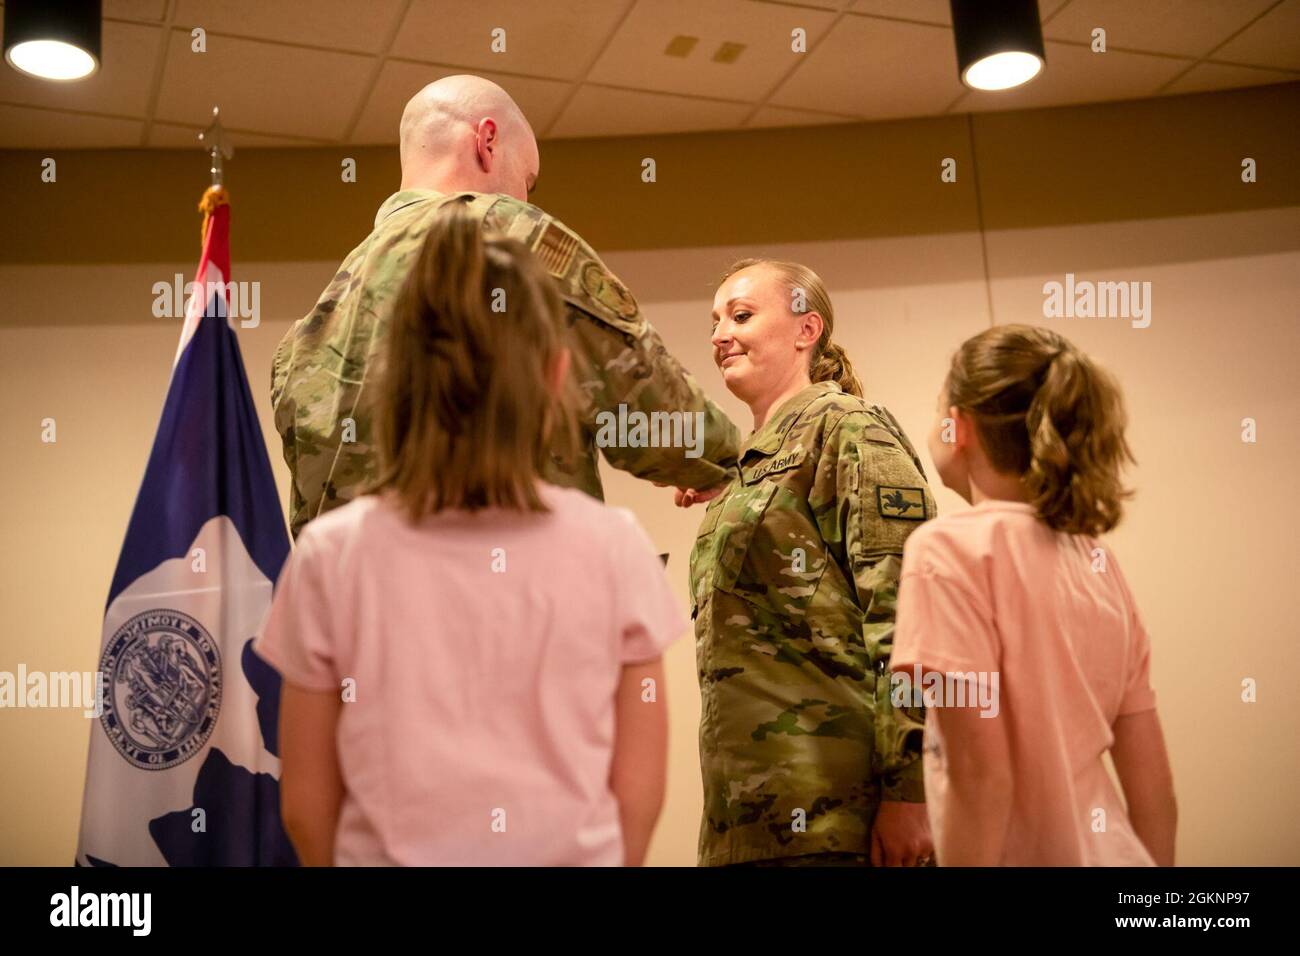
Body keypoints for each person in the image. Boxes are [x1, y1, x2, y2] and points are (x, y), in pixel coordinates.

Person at [254, 205, 685, 866]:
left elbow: (308, 807)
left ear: (398, 377)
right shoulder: (615, 547)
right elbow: (637, 791)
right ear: (555, 377)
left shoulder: (330, 557)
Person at [271, 74, 739, 539]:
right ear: (487, 141)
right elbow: (644, 402)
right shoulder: (508, 235)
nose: (526, 196)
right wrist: (724, 457)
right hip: (503, 593)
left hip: (353, 602)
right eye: (528, 181)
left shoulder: (318, 317)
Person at [890, 324, 1177, 866]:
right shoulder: (1096, 562)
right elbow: (1154, 789)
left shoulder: (946, 551)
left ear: (959, 426)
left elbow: (980, 775)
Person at [685, 257, 937, 866]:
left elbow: (914, 616)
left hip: (839, 818)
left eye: (741, 315)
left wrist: (912, 793)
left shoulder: (850, 430)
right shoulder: (744, 470)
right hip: (743, 824)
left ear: (806, 329)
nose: (720, 334)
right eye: (715, 319)